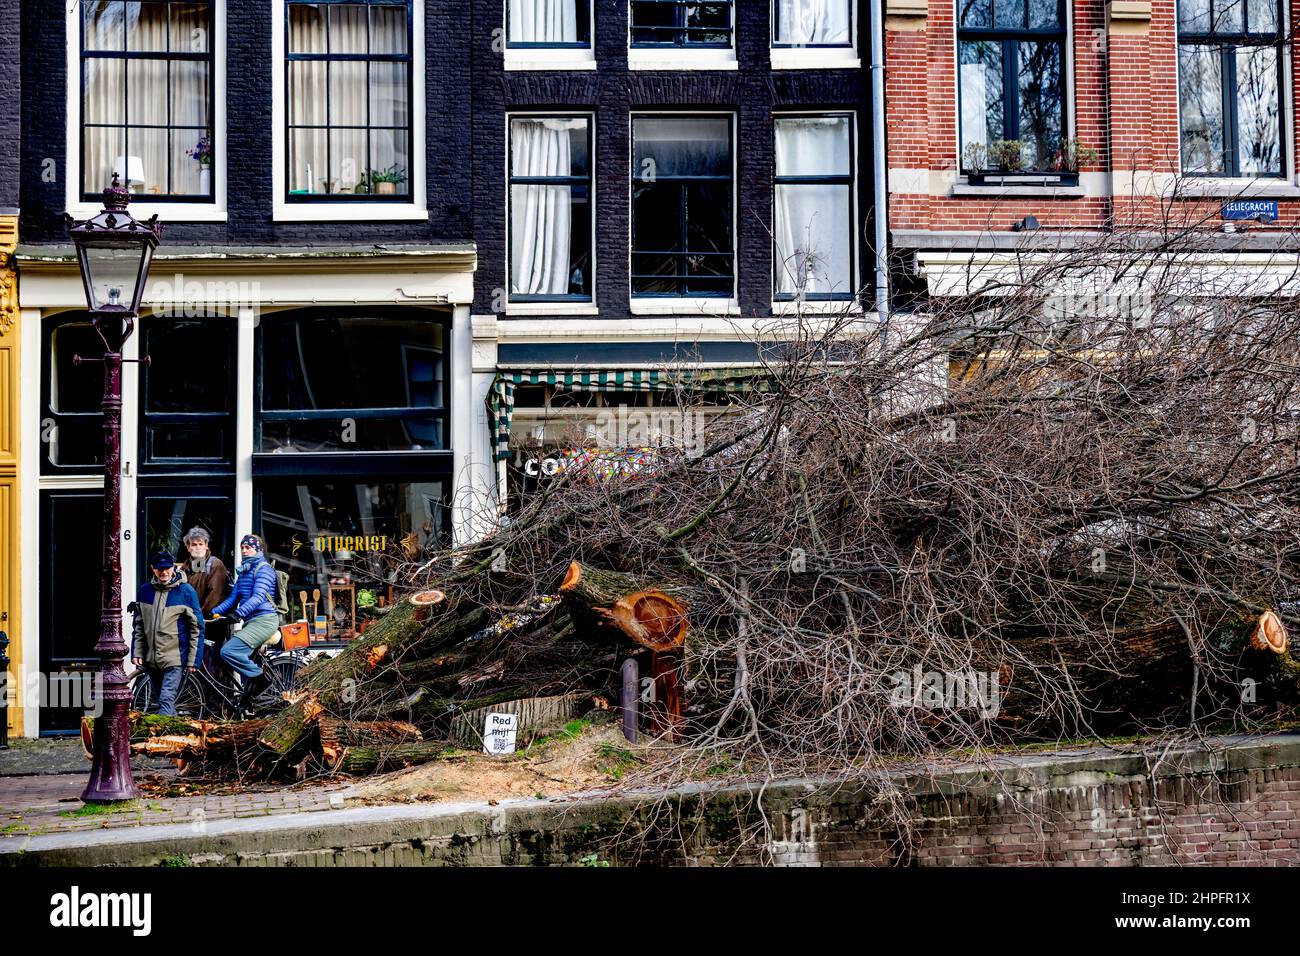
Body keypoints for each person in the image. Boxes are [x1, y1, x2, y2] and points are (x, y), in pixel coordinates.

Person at [131, 552, 205, 717]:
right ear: (153, 569)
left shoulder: (186, 592)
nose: (163, 573)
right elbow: (138, 625)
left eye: (167, 569)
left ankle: (158, 737)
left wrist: (194, 659)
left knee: (165, 699)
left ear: (173, 568)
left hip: (175, 659)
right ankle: (174, 737)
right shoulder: (144, 591)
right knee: (163, 702)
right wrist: (137, 652)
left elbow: (197, 628)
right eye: (159, 569)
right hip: (152, 660)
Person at [211, 533, 280, 711]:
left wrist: (238, 614)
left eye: (247, 547)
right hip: (252, 621)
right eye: (242, 548)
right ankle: (249, 698)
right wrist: (212, 614)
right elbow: (233, 599)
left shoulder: (264, 569)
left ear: (257, 549)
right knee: (224, 656)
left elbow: (258, 597)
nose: (243, 550)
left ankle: (261, 681)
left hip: (264, 620)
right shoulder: (245, 571)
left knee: (229, 651)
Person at [179, 527, 232, 669]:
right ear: (188, 547)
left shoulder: (215, 564)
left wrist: (196, 615)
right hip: (192, 622)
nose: (197, 548)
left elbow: (214, 596)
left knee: (210, 664)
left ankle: (212, 692)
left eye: (201, 544)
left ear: (207, 545)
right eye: (194, 544)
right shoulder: (185, 567)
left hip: (211, 623)